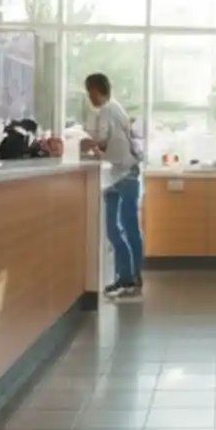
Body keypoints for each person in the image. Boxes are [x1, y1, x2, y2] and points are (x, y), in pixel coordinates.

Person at [81, 73, 145, 301]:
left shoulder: (108, 110)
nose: (89, 97)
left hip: (125, 172)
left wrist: (87, 143)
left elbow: (102, 139)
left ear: (95, 90)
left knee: (125, 227)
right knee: (115, 228)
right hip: (116, 174)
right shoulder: (116, 108)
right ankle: (126, 276)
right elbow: (110, 141)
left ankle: (132, 277)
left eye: (89, 92)